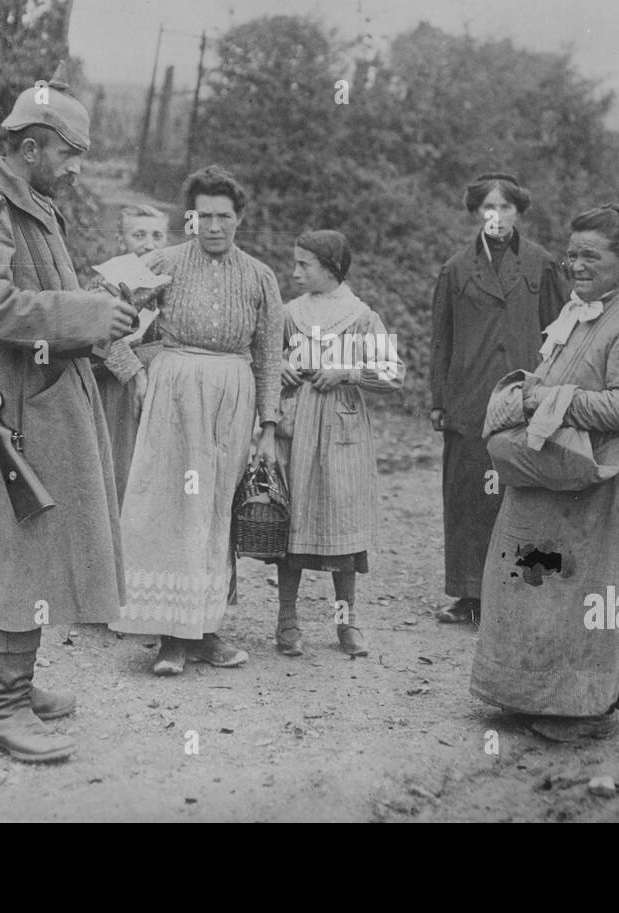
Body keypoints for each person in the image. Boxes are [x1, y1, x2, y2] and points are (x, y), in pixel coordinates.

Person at [0, 70, 140, 763]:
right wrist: (82, 312)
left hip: (43, 403)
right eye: (69, 154)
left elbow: (35, 293)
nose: (78, 169)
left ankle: (1, 684)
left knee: (34, 552)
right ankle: (0, 706)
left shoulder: (36, 207)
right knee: (14, 556)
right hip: (11, 412)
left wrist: (99, 303)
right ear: (29, 148)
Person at [470, 204, 619, 740]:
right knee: (532, 582)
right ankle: (524, 693)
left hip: (601, 477)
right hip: (552, 470)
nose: (576, 265)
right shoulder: (581, 311)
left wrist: (546, 401)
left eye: (591, 256)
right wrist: (536, 394)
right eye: (572, 253)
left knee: (583, 594)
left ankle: (581, 709)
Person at [113, 166, 282, 676]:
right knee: (169, 506)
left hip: (232, 397)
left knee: (214, 511)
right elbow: (106, 313)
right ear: (191, 218)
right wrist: (133, 374)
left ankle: (206, 632)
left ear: (239, 219)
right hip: (172, 394)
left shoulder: (259, 276)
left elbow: (269, 354)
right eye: (203, 216)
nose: (212, 226)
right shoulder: (162, 262)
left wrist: (268, 427)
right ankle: (169, 637)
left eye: (223, 217)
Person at [430, 172, 564, 624]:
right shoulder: (455, 269)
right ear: (475, 214)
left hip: (525, 397)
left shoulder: (542, 265)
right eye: (488, 207)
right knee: (469, 493)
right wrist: (439, 400)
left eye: (505, 207)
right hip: (470, 400)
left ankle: (524, 589)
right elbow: (441, 341)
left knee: (524, 493)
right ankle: (470, 594)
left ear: (519, 212)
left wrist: (552, 393)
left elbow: (558, 333)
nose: (497, 216)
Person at [273, 230, 405, 658]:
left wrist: (348, 372)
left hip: (342, 429)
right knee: (290, 522)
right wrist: (279, 366)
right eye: (294, 264)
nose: (294, 272)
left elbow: (394, 374)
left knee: (342, 527)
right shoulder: (290, 314)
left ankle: (346, 622)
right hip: (296, 426)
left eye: (304, 265)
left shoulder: (360, 317)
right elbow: (260, 356)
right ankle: (287, 619)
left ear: (331, 268)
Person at [92, 203, 169, 504]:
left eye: (157, 236)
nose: (149, 244)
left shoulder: (171, 281)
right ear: (121, 240)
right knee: (120, 471)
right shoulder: (105, 281)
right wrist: (134, 371)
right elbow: (98, 339)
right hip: (117, 391)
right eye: (139, 235)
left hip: (161, 390)